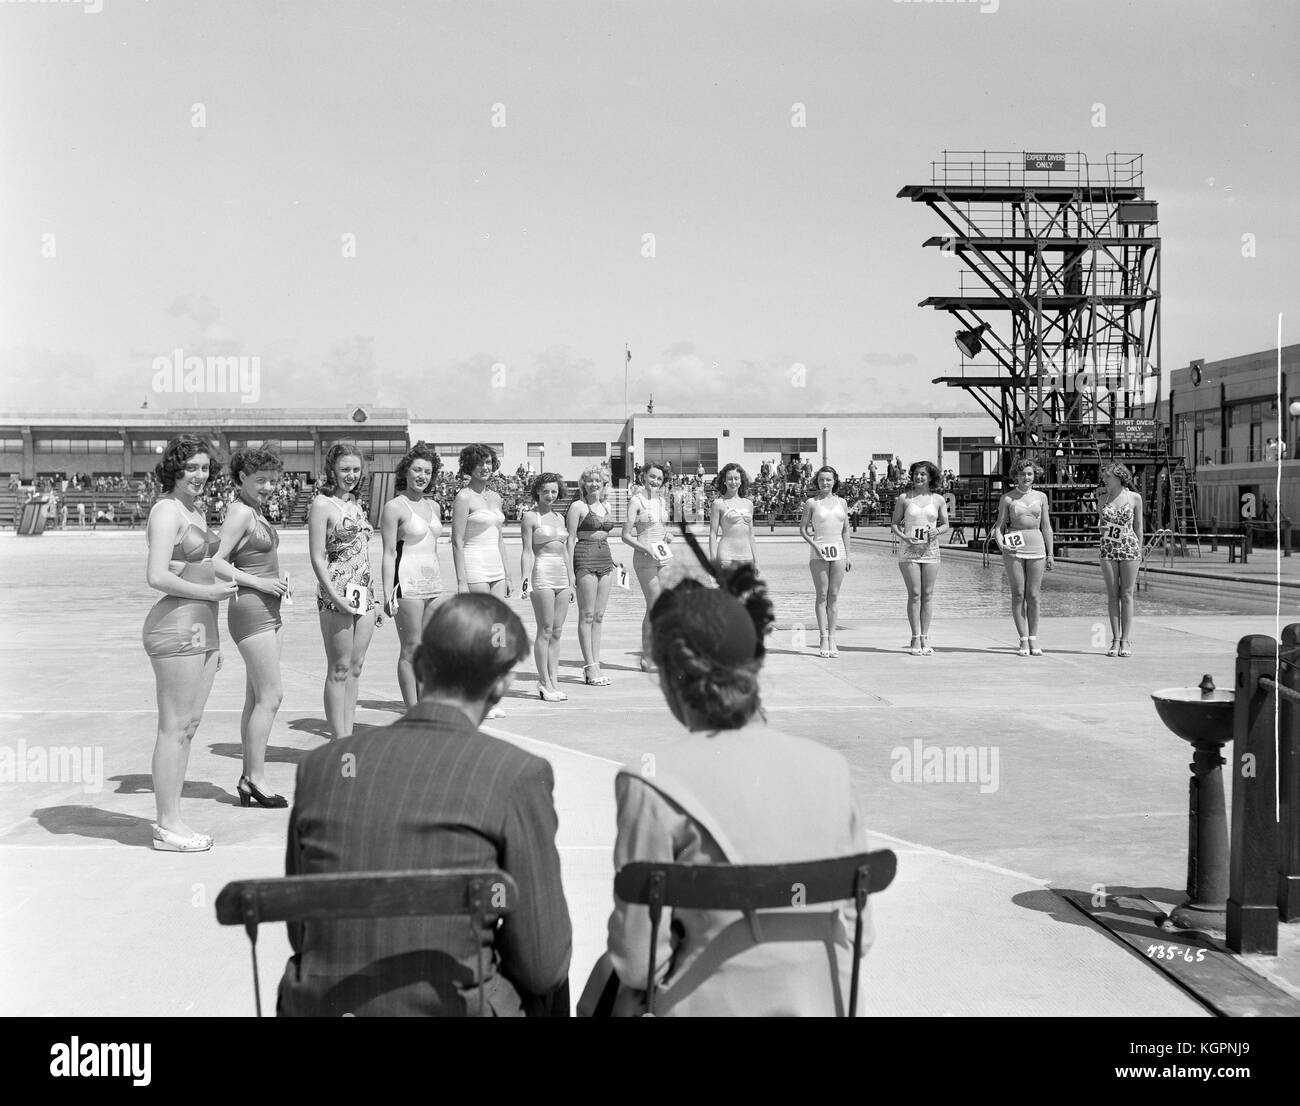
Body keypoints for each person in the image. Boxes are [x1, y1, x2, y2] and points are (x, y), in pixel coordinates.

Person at [583, 534, 873, 1016]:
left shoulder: (650, 783)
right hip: (824, 1001)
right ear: (755, 666)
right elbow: (859, 935)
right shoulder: (833, 771)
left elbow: (638, 963)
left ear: (673, 678)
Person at [278, 595, 573, 1017]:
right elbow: (543, 962)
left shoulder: (321, 768)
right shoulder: (515, 775)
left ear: (419, 667)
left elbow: (302, 930)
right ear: (502, 683)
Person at [142, 435, 237, 852]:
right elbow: (157, 575)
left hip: (202, 626)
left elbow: (201, 564)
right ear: (174, 470)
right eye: (192, 468)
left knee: (190, 727)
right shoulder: (167, 510)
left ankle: (174, 817)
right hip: (177, 624)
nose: (200, 475)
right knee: (174, 726)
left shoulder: (194, 509)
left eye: (205, 468)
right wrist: (211, 594)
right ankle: (167, 824)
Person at [214, 446, 290, 808]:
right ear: (242, 478)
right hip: (251, 611)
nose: (269, 487)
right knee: (272, 696)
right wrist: (259, 584)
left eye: (273, 481)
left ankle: (248, 777)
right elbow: (214, 561)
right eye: (261, 480)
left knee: (255, 698)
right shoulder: (240, 511)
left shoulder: (255, 510)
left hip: (268, 610)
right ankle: (255, 778)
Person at [309, 442, 383, 741]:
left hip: (362, 590)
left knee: (356, 667)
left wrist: (374, 599)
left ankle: (348, 733)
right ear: (332, 470)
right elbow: (316, 557)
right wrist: (335, 597)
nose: (350, 475)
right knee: (338, 668)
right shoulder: (321, 505)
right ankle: (338, 740)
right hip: (335, 591)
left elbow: (363, 554)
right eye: (344, 469)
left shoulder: (356, 504)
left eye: (355, 469)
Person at [381, 442, 446, 708]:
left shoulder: (435, 507)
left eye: (427, 472)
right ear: (405, 472)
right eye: (417, 470)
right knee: (410, 648)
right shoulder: (394, 507)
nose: (422, 476)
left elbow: (433, 548)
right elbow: (388, 553)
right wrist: (387, 593)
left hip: (433, 584)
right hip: (406, 585)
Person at [520, 473, 574, 702]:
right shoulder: (530, 517)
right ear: (537, 492)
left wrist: (571, 581)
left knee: (558, 631)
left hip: (562, 575)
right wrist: (525, 577)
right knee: (545, 629)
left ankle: (554, 680)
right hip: (541, 573)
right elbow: (527, 550)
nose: (549, 495)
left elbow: (565, 551)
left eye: (553, 491)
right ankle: (543, 682)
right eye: (545, 491)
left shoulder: (560, 518)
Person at [993, 458, 1055, 657]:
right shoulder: (1008, 498)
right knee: (1018, 593)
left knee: (1034, 595)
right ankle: (1023, 639)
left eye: (1029, 473)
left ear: (1034, 475)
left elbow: (1046, 526)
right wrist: (1002, 545)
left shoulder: (1042, 497)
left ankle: (1034, 638)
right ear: (1016, 476)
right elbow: (999, 527)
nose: (1026, 477)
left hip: (1037, 545)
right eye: (1022, 474)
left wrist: (1051, 552)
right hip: (1014, 546)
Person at [890, 461, 950, 656]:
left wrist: (937, 531)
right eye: (916, 474)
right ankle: (915, 636)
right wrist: (904, 536)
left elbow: (945, 524)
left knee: (928, 594)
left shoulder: (938, 499)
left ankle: (925, 635)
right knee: (915, 593)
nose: (919, 477)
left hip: (931, 550)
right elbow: (895, 524)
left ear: (931, 477)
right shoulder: (904, 498)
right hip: (909, 550)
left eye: (923, 474)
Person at [622, 461, 674, 672]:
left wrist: (669, 535)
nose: (655, 481)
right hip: (645, 557)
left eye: (659, 479)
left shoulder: (662, 501)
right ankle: (647, 657)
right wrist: (644, 548)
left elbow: (663, 528)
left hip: (663, 555)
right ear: (644, 476)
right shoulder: (636, 500)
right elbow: (625, 536)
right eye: (652, 476)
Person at [567, 464, 617, 686]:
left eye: (598, 480)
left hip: (605, 557)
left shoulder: (606, 505)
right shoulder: (577, 506)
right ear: (583, 484)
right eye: (590, 480)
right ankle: (588, 667)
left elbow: (603, 535)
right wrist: (569, 573)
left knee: (599, 616)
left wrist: (613, 560)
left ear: (603, 483)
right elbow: (569, 540)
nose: (594, 484)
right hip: (584, 555)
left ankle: (596, 663)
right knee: (586, 615)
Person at [799, 466, 852, 659]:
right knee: (822, 595)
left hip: (838, 552)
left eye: (829, 480)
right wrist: (815, 545)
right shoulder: (812, 503)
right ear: (817, 481)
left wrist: (848, 555)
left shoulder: (842, 502)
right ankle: (823, 637)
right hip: (819, 552)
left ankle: (832, 637)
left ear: (834, 481)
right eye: (822, 480)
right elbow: (803, 529)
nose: (825, 483)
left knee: (834, 595)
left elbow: (846, 530)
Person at [451, 444, 512, 599]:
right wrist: (461, 582)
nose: (485, 467)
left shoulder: (496, 497)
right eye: (479, 463)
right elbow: (457, 541)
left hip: (497, 568)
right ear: (470, 466)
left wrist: (508, 575)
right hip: (475, 566)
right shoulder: (464, 497)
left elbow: (500, 539)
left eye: (488, 462)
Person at [1097, 462, 1143, 658]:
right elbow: (1101, 524)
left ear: (1119, 477)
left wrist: (1139, 551)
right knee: (1112, 594)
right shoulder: (1101, 499)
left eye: (1108, 476)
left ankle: (1125, 639)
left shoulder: (1134, 497)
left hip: (1129, 547)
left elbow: (1139, 526)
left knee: (1127, 594)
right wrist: (1101, 529)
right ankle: (1115, 639)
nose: (1104, 479)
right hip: (1108, 548)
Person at [708, 463, 758, 570]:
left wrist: (756, 561)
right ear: (724, 481)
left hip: (747, 557)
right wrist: (713, 560)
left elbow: (751, 535)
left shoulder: (749, 504)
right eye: (730, 479)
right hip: (726, 556)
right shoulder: (718, 504)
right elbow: (713, 533)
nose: (733, 482)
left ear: (741, 481)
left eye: (736, 478)